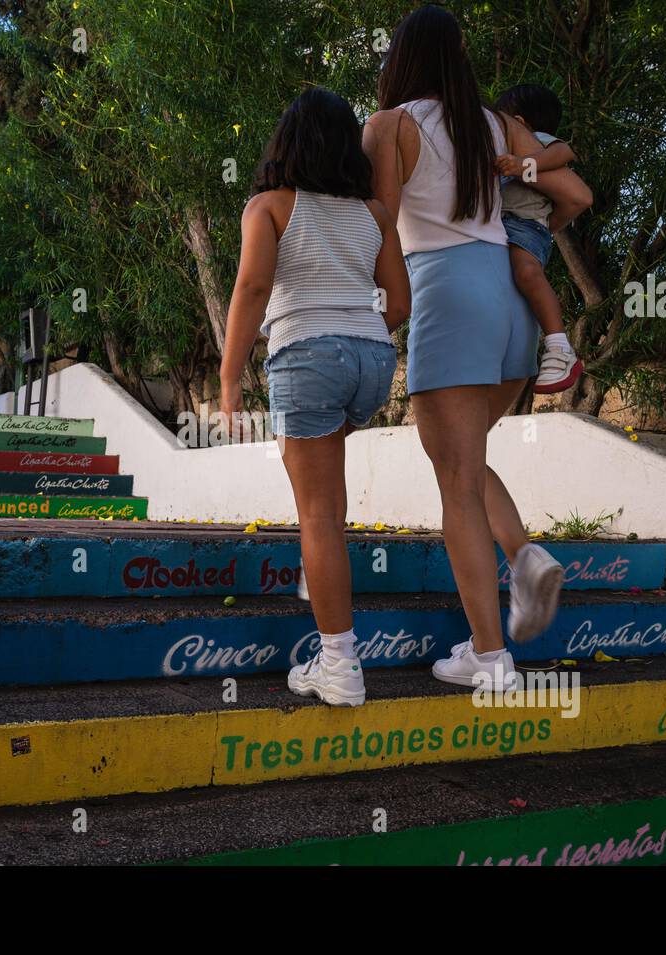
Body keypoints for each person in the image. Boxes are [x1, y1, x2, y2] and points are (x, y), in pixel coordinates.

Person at [362, 6, 593, 688]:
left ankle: (491, 659)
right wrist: (542, 229)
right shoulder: (497, 124)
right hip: (510, 300)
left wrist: (373, 310)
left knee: (455, 483)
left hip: (448, 293)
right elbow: (572, 188)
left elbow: (380, 224)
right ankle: (524, 558)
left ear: (399, 58)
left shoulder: (389, 125)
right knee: (463, 460)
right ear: (459, 57)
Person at [220, 87, 410, 707]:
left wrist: (229, 380)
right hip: (372, 364)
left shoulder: (269, 207)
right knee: (328, 507)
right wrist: (357, 341)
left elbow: (251, 289)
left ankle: (339, 666)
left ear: (287, 143)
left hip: (308, 356)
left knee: (319, 516)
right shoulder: (375, 214)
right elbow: (400, 304)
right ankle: (320, 570)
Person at [493, 83, 584, 393]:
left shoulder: (534, 143)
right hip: (502, 225)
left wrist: (523, 164)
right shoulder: (503, 150)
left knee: (526, 272)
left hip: (524, 224)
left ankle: (559, 346)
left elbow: (565, 150)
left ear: (518, 122)